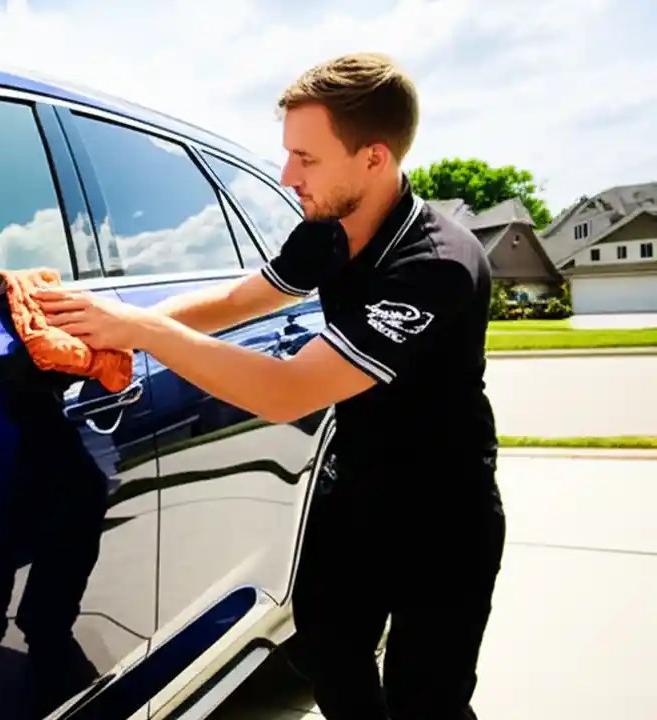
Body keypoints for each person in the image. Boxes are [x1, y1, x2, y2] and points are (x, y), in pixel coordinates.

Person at [32, 52, 505, 719]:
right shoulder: (326, 235)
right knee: (328, 654)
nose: (287, 176)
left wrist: (145, 331)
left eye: (306, 158)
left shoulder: (435, 264)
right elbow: (235, 301)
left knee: (426, 701)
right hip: (357, 487)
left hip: (442, 514)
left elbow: (288, 392)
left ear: (374, 158)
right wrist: (112, 327)